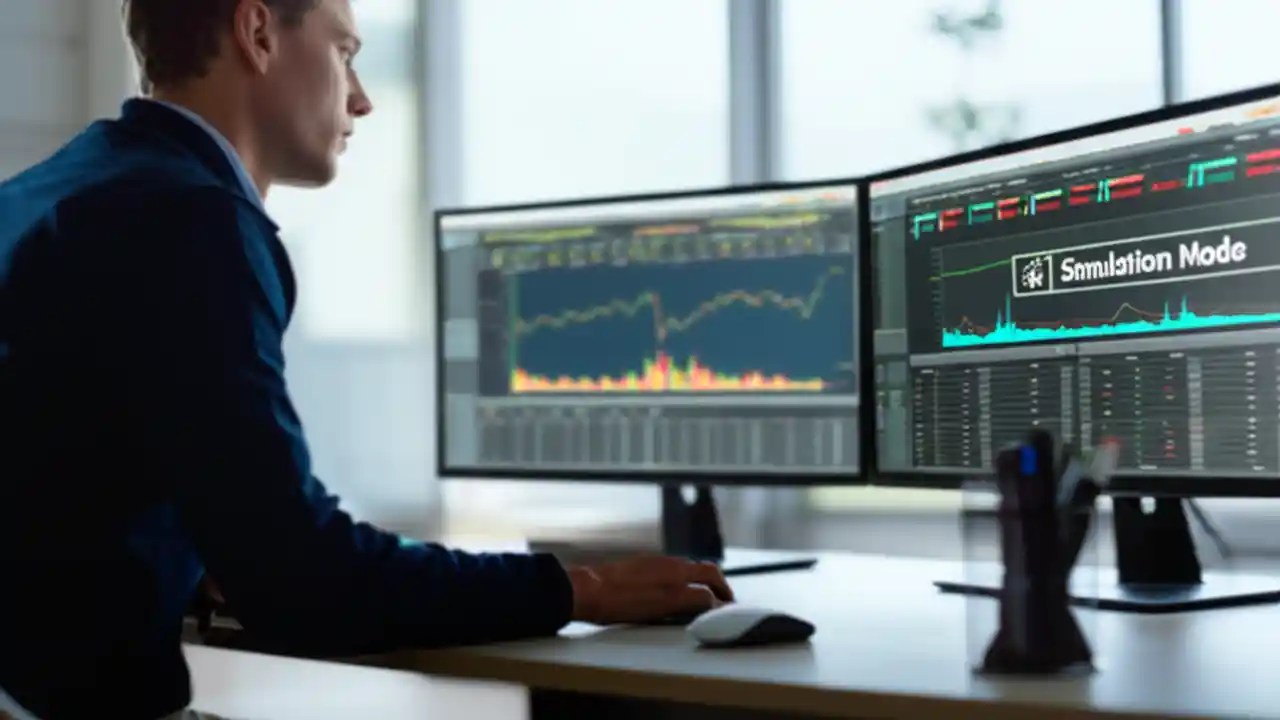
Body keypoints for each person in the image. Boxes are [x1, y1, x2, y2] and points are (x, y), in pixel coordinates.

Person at [0, 1, 733, 718]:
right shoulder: (193, 221)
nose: (363, 98)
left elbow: (57, 484)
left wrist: (199, 556)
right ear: (257, 33)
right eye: (345, 51)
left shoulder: (46, 192)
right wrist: (583, 590)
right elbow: (304, 579)